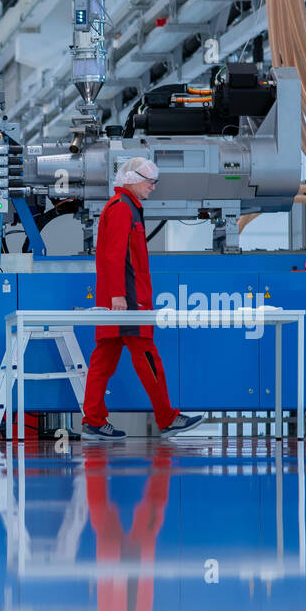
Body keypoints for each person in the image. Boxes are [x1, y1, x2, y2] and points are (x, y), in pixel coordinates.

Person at [80, 156, 204, 441]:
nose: (153, 188)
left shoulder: (123, 207)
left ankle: (94, 420)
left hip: (119, 298)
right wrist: (118, 296)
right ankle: (167, 418)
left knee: (103, 359)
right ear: (133, 180)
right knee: (147, 355)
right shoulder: (124, 209)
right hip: (127, 300)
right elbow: (114, 256)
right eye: (150, 182)